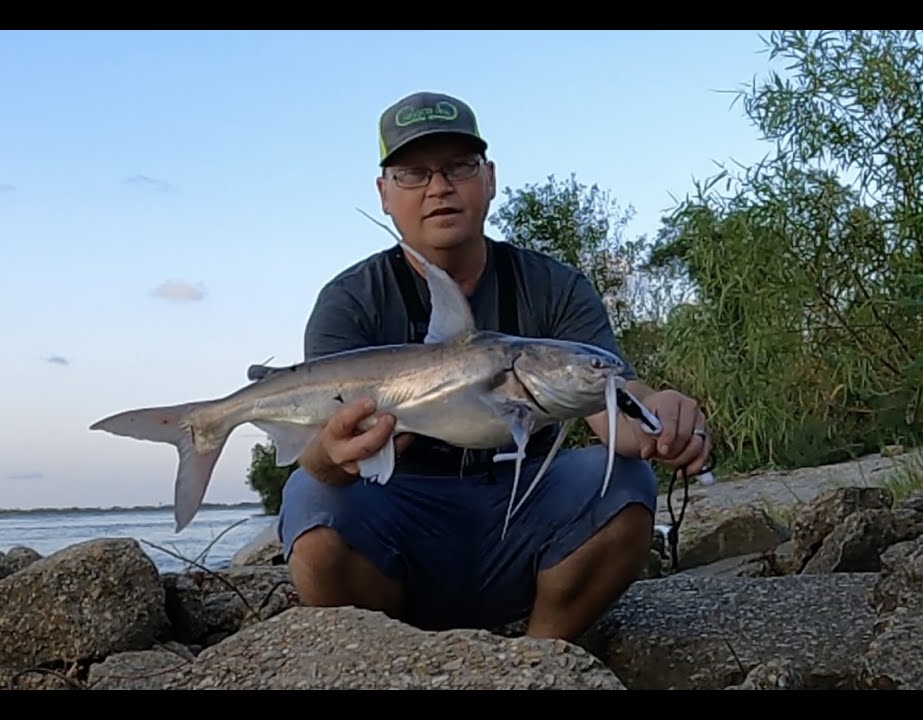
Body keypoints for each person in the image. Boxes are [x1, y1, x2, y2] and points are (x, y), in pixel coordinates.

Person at [277, 90, 711, 641]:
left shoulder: (555, 286)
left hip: (521, 503)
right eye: (413, 172)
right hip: (401, 515)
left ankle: (539, 658)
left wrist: (658, 416)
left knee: (626, 481)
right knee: (310, 500)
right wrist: (333, 453)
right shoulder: (350, 300)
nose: (439, 187)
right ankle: (389, 656)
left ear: (490, 179)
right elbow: (319, 459)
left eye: (460, 166)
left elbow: (615, 408)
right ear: (384, 194)